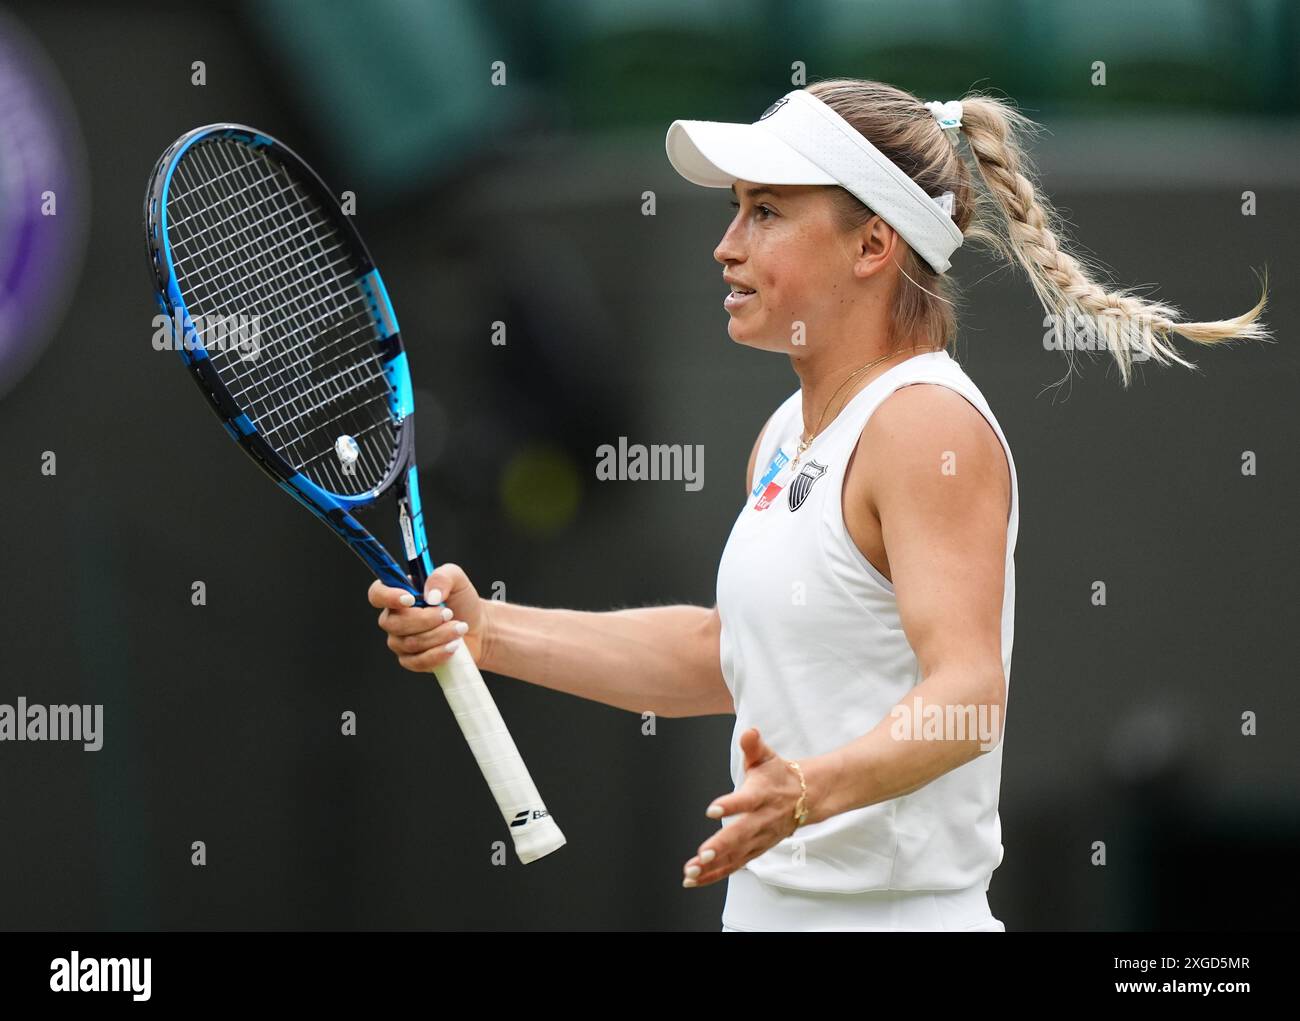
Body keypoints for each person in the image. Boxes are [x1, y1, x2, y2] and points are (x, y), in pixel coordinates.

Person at [366, 79, 1270, 931]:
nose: (728, 245)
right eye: (735, 211)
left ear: (872, 245)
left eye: (766, 212)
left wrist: (809, 787)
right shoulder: (786, 432)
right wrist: (490, 633)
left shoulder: (925, 426)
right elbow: (727, 653)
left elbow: (968, 693)